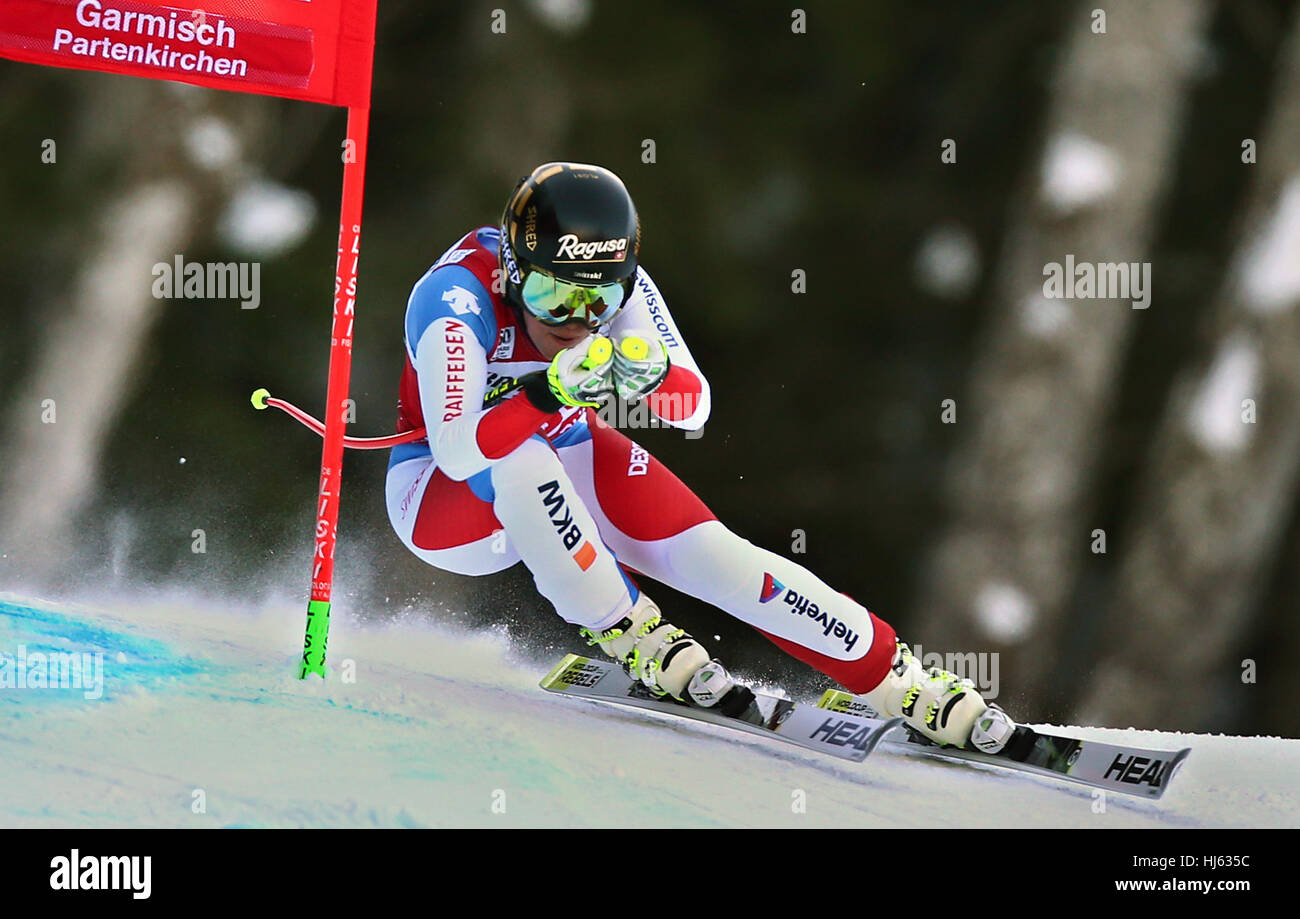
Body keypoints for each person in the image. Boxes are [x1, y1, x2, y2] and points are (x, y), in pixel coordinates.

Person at [386, 161, 1014, 751]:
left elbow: (695, 408)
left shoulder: (622, 286)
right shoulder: (454, 300)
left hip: (561, 450)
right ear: (514, 273)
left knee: (716, 556)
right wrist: (549, 390)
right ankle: (633, 633)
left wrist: (651, 375)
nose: (576, 320)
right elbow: (459, 449)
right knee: (521, 457)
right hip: (442, 502)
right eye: (554, 297)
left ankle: (896, 679)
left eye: (597, 303)